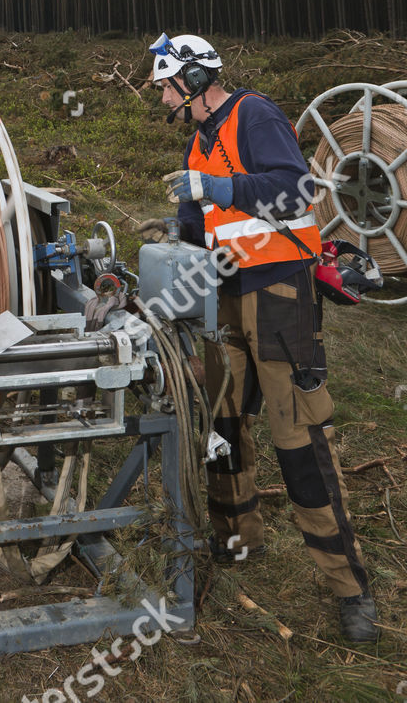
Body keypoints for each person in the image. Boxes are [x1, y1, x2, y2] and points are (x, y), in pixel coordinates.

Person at [148, 32, 379, 643]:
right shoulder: (202, 140)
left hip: (278, 292)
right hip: (225, 290)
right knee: (222, 422)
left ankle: (347, 585)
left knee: (296, 433)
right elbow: (207, 222)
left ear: (195, 81)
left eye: (168, 87)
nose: (164, 100)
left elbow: (295, 188)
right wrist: (178, 225)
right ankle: (235, 542)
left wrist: (221, 189)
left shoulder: (255, 115)